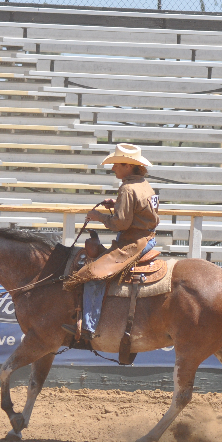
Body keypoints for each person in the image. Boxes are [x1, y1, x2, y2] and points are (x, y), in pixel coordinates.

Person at [62, 143, 160, 341]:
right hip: (147, 238)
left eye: (116, 164)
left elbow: (121, 224)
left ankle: (88, 329)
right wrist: (117, 205)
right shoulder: (143, 184)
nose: (113, 167)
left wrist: (98, 217)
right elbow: (140, 209)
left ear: (127, 165)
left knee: (93, 274)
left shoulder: (127, 188)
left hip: (134, 242)